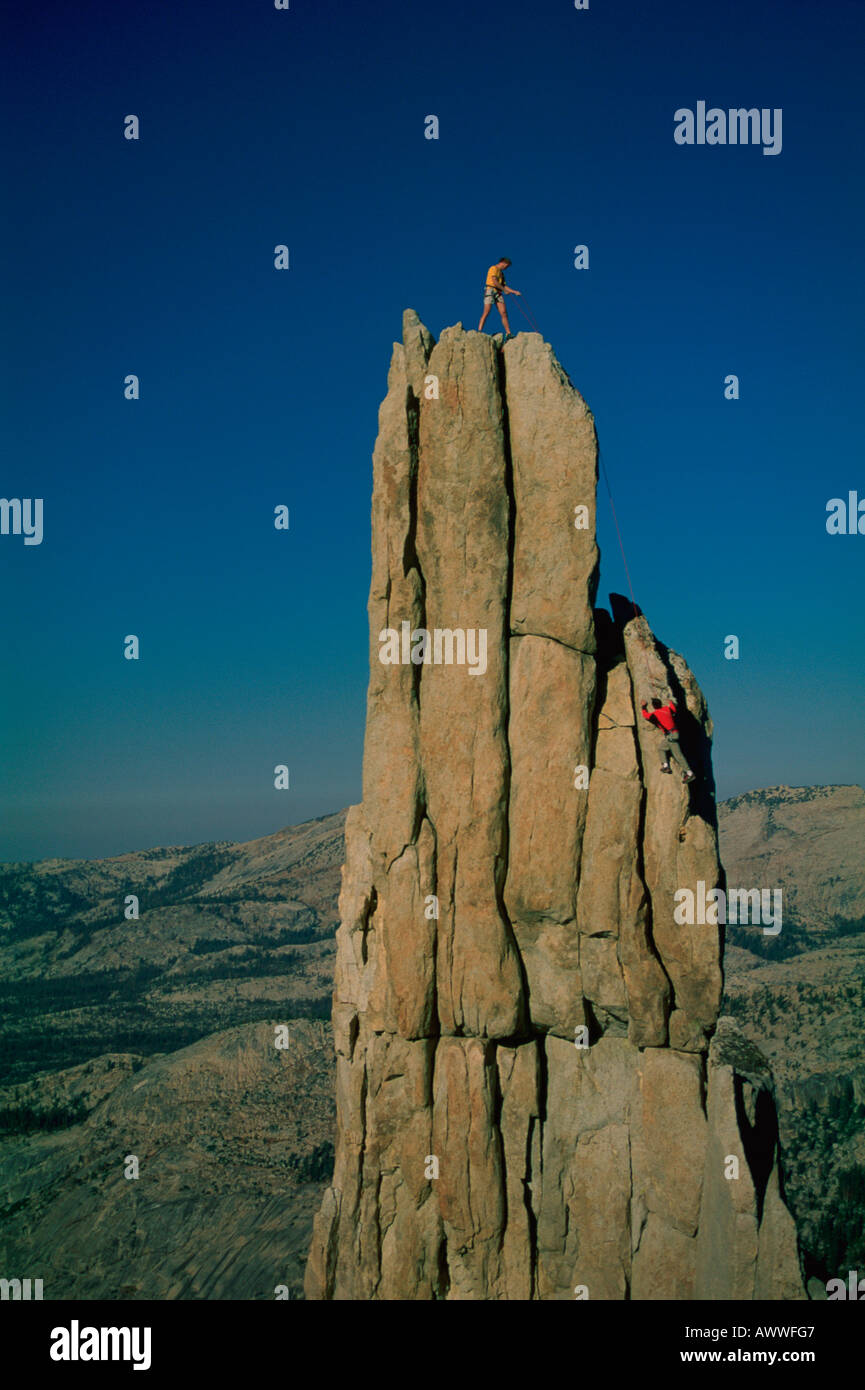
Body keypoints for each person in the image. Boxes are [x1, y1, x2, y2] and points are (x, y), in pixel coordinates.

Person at [640, 697, 696, 782]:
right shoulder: (667, 709)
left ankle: (670, 767)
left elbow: (646, 716)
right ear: (661, 704)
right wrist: (669, 701)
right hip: (675, 733)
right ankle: (685, 772)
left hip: (671, 735)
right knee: (672, 752)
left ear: (654, 706)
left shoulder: (655, 714)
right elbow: (673, 709)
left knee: (667, 751)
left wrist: (643, 707)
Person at [478, 257, 521, 336]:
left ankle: (509, 333)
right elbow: (494, 281)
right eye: (506, 266)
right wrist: (504, 290)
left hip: (498, 292)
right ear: (502, 262)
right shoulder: (493, 268)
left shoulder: (501, 274)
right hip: (490, 290)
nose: (506, 268)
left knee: (504, 312)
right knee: (486, 311)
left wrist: (514, 292)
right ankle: (479, 330)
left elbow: (504, 286)